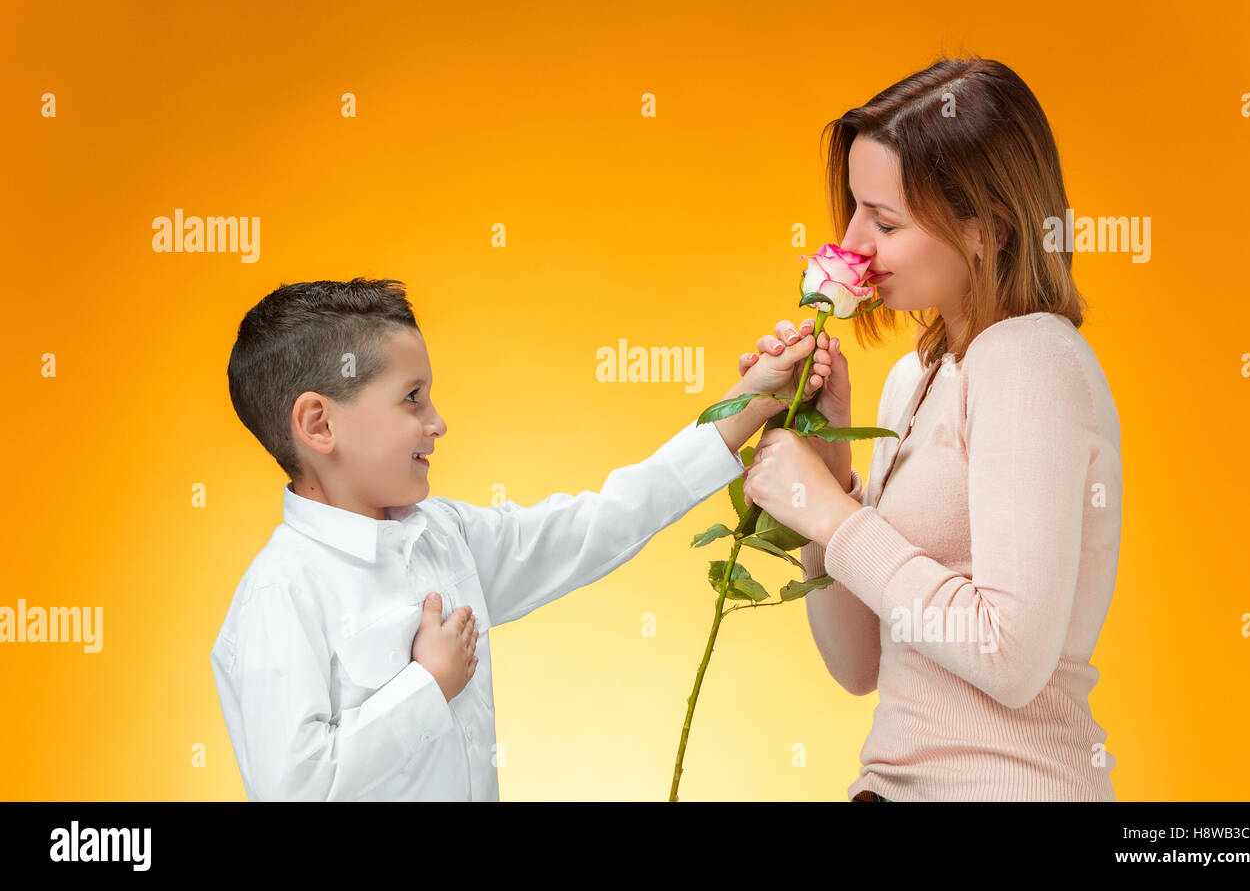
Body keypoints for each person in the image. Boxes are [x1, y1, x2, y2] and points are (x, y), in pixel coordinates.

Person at [210, 277, 835, 801]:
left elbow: (603, 521)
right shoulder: (281, 592)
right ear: (319, 423)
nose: (438, 422)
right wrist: (428, 686)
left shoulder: (445, 536)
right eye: (412, 399)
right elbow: (293, 789)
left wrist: (747, 406)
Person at [739, 57, 1122, 801]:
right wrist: (831, 464)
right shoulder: (915, 380)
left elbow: (1009, 656)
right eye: (855, 208)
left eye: (885, 220)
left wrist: (831, 510)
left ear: (990, 229)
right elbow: (858, 666)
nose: (852, 241)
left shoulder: (1030, 358)